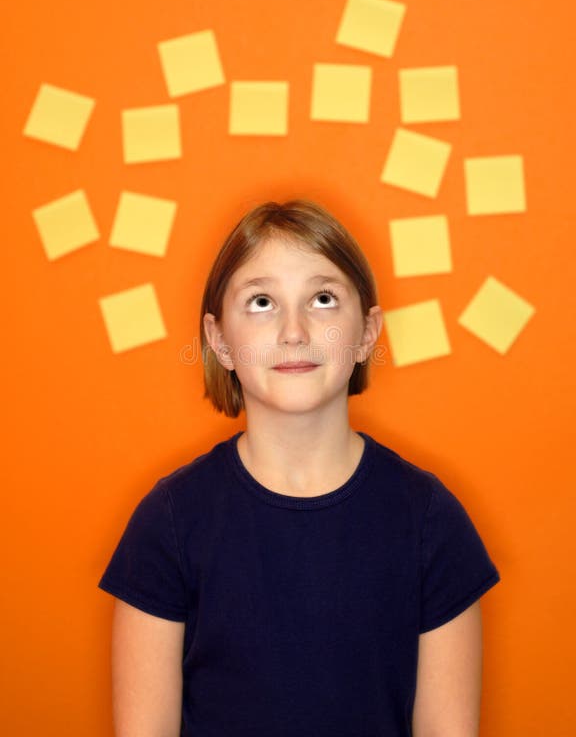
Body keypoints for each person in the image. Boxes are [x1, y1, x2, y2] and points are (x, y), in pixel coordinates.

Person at [98, 199, 501, 737]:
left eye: (323, 299)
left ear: (366, 332)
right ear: (219, 341)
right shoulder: (168, 523)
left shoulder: (430, 520)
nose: (294, 331)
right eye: (262, 301)